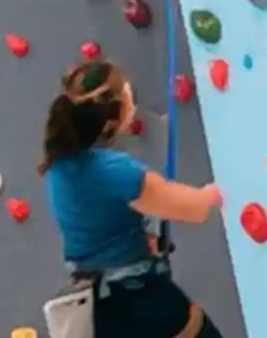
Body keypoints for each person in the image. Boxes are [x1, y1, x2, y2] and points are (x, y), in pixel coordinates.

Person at [41, 60, 224, 337]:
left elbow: (96, 221)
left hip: (99, 308)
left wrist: (136, 239)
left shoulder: (58, 166)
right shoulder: (114, 171)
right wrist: (215, 192)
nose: (133, 106)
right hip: (136, 302)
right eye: (129, 98)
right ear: (111, 120)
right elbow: (193, 209)